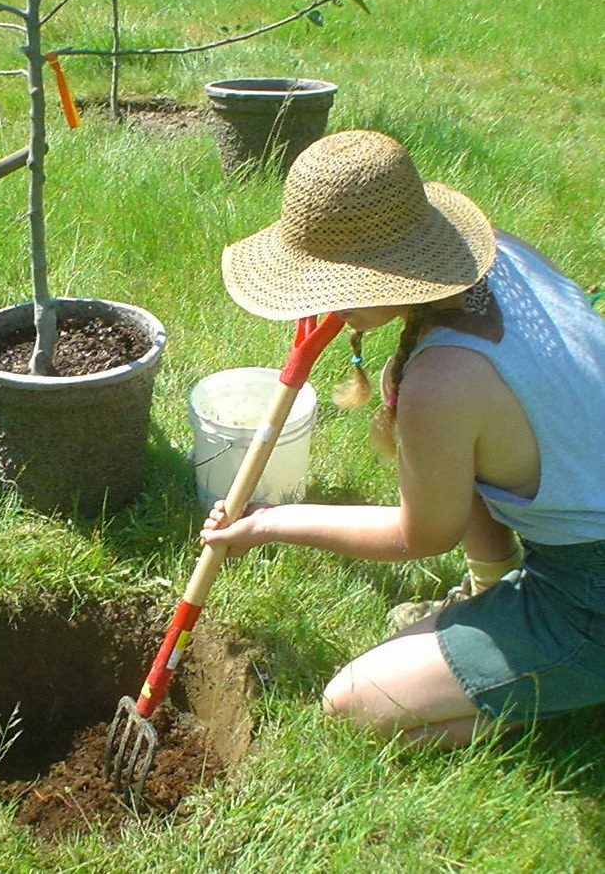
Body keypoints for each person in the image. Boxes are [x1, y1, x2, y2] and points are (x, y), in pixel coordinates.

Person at [200, 129, 605, 747]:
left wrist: (269, 522)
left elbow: (421, 536)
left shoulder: (443, 385)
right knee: (404, 379)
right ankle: (494, 591)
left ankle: (559, 682)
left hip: (591, 589)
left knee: (357, 704)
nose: (324, 299)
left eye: (334, 281)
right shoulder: (503, 257)